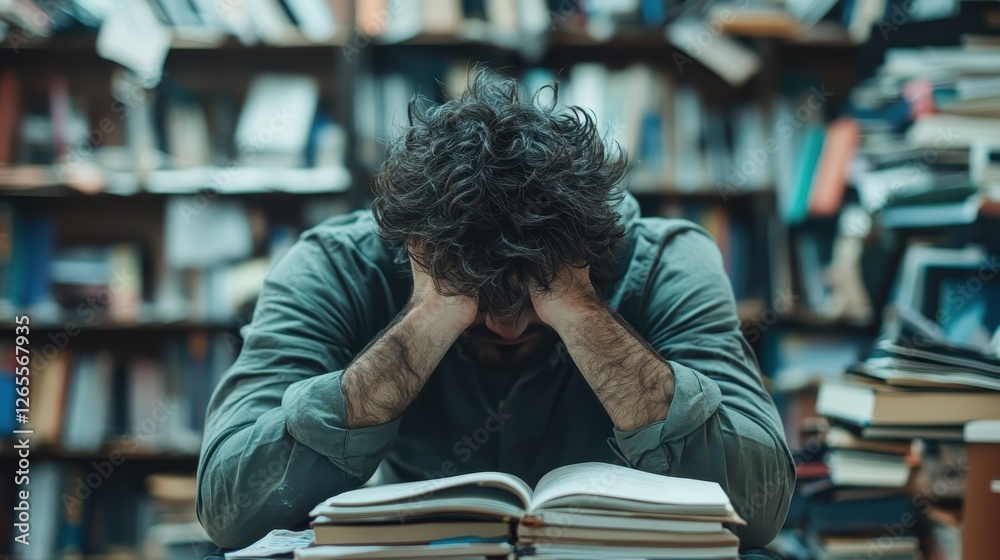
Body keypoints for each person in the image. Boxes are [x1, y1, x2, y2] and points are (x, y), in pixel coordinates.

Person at [196, 70, 795, 550]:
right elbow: (230, 508)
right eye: (479, 298)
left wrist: (579, 310)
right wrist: (431, 313)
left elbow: (760, 508)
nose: (508, 324)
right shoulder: (334, 265)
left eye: (533, 296)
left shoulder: (666, 260)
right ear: (413, 253)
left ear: (592, 251)